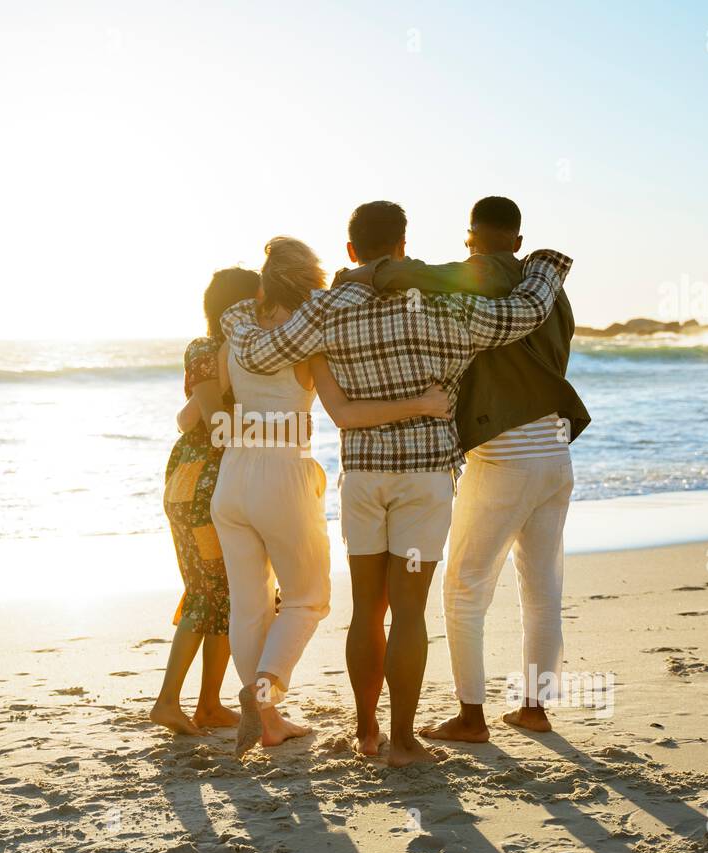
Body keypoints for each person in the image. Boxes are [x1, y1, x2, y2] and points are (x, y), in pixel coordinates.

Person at [222, 202, 571, 766]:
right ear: (405, 247)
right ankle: (404, 742)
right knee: (409, 612)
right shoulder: (443, 302)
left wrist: (236, 313)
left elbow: (261, 352)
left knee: (366, 610)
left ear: (352, 251)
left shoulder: (326, 308)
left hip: (363, 477)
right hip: (425, 479)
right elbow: (525, 312)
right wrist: (547, 264)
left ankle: (366, 734)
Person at [344, 196, 589, 741]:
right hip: (555, 445)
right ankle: (534, 707)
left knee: (464, 588)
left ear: (470, 238)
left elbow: (414, 273)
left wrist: (364, 274)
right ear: (518, 240)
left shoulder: (471, 274)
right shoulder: (550, 291)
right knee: (543, 585)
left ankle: (471, 717)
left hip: (504, 451)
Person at [211, 237, 451, 758]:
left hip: (231, 472)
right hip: (283, 469)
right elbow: (345, 415)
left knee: (249, 605)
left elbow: (222, 399)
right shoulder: (309, 340)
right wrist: (425, 404)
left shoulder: (238, 330)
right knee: (307, 598)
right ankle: (263, 692)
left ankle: (269, 721)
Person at [151, 268, 260, 736]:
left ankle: (210, 704)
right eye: (255, 300)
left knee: (227, 595)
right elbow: (214, 420)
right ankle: (167, 702)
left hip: (218, 483)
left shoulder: (246, 351)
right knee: (205, 591)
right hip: (197, 488)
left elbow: (189, 416)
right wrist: (276, 430)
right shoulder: (206, 348)